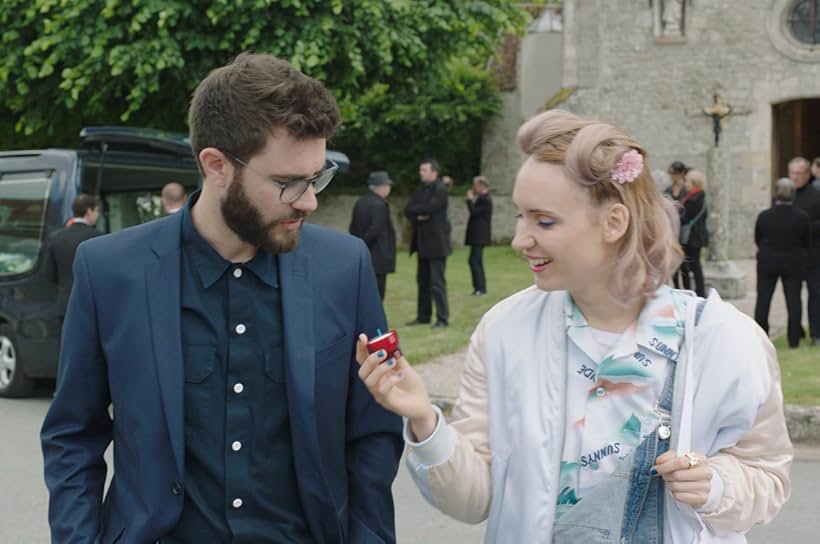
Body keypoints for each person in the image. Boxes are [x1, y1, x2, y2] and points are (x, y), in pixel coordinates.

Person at [357, 110, 792, 542]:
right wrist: (423, 422)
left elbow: (767, 476)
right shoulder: (505, 332)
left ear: (614, 222)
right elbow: (474, 500)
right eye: (521, 216)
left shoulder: (724, 340)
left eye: (543, 221)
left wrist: (716, 484)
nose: (519, 239)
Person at [41, 52, 403, 544]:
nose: (309, 200)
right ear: (215, 165)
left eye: (318, 177)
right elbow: (72, 436)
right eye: (287, 182)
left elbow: (373, 434)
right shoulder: (108, 271)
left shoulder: (346, 267)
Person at [754, 177, 811, 348]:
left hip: (767, 261)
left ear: (775, 194)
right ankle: (793, 339)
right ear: (793, 195)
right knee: (794, 300)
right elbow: (806, 242)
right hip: (793, 262)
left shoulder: (764, 216)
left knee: (763, 300)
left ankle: (761, 336)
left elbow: (758, 238)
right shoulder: (801, 217)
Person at [404, 158, 451, 328]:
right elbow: (408, 209)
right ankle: (423, 316)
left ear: (434, 172)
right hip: (422, 244)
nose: (421, 173)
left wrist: (422, 211)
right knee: (422, 281)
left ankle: (442, 318)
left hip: (437, 245)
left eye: (424, 170)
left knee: (437, 283)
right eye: (420, 170)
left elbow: (431, 208)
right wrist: (420, 214)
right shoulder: (421, 189)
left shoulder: (440, 189)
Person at [43, 193, 101, 319]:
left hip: (65, 305)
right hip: (93, 305)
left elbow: (49, 274)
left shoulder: (56, 237)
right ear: (89, 211)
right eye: (96, 211)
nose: (97, 215)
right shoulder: (99, 238)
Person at [349, 170, 397, 300]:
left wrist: (358, 245)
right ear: (381, 187)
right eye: (387, 185)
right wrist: (364, 243)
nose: (389, 189)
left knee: (364, 293)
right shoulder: (380, 204)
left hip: (363, 256)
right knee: (377, 295)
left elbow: (353, 227)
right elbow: (376, 229)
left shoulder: (360, 202)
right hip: (378, 256)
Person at [790, 156, 820, 345]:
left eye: (799, 173)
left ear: (808, 174)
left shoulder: (817, 195)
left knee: (816, 295)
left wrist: (805, 227)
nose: (795, 177)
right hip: (791, 255)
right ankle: (795, 333)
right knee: (793, 297)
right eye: (793, 173)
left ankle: (816, 334)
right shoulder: (785, 194)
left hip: (813, 254)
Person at [678, 169, 708, 297]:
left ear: (694, 183)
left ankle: (695, 291)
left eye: (688, 181)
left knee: (691, 264)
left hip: (692, 237)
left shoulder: (694, 198)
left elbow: (684, 216)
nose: (685, 184)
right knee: (694, 264)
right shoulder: (699, 196)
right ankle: (698, 290)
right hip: (696, 235)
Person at [465, 175, 493, 296]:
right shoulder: (483, 198)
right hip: (477, 236)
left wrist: (469, 200)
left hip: (479, 236)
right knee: (475, 261)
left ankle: (480, 289)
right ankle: (479, 288)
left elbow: (474, 212)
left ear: (481, 185)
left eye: (475, 184)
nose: (473, 187)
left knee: (474, 261)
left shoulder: (485, 199)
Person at [664, 161, 689, 289]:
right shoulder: (668, 189)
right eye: (671, 174)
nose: (672, 176)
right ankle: (677, 289)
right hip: (672, 230)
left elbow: (690, 209)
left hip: (684, 229)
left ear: (681, 174)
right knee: (673, 260)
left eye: (674, 174)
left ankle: (687, 289)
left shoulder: (687, 189)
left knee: (685, 264)